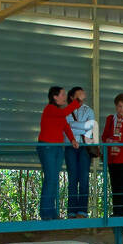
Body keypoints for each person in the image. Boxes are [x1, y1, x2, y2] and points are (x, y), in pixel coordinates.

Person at [37, 86, 82, 221]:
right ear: (54, 97)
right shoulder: (50, 109)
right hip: (47, 147)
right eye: (62, 95)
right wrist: (77, 101)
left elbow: (65, 126)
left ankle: (50, 212)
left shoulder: (58, 112)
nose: (64, 97)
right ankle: (46, 213)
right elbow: (65, 114)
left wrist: (73, 139)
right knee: (51, 179)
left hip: (57, 148)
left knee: (53, 179)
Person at [64, 87, 97, 218]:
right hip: (69, 146)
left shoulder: (89, 110)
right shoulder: (66, 111)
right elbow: (66, 128)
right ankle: (71, 211)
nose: (82, 99)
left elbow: (90, 127)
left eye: (83, 96)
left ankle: (82, 211)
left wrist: (74, 126)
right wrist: (82, 127)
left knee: (84, 178)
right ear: (71, 97)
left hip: (84, 147)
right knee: (72, 179)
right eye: (79, 96)